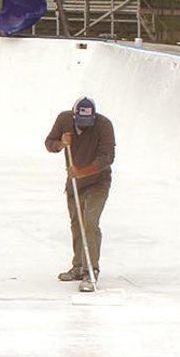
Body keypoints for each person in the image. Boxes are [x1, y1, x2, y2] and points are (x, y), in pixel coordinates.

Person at [44, 96, 115, 283]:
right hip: (75, 184)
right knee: (76, 224)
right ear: (74, 116)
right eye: (81, 122)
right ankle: (78, 267)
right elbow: (49, 143)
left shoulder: (104, 125)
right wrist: (60, 143)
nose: (84, 126)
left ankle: (91, 271)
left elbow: (107, 158)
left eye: (88, 122)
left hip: (98, 182)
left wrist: (82, 172)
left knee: (90, 223)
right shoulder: (64, 120)